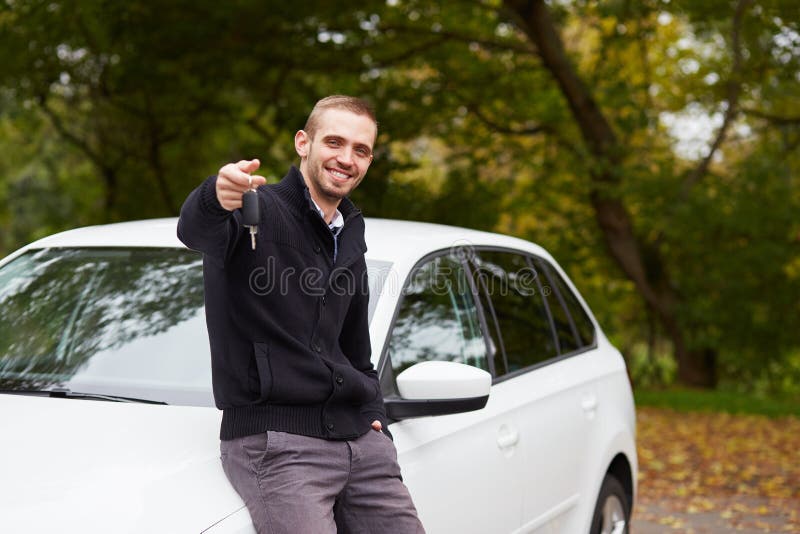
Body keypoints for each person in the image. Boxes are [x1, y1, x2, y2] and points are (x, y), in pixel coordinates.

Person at [176, 95, 424, 533]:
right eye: (335, 142)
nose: (346, 159)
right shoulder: (256, 210)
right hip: (279, 444)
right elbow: (196, 230)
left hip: (360, 445)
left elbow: (354, 348)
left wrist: (376, 420)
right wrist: (215, 196)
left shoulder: (349, 233)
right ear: (303, 143)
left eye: (361, 150)